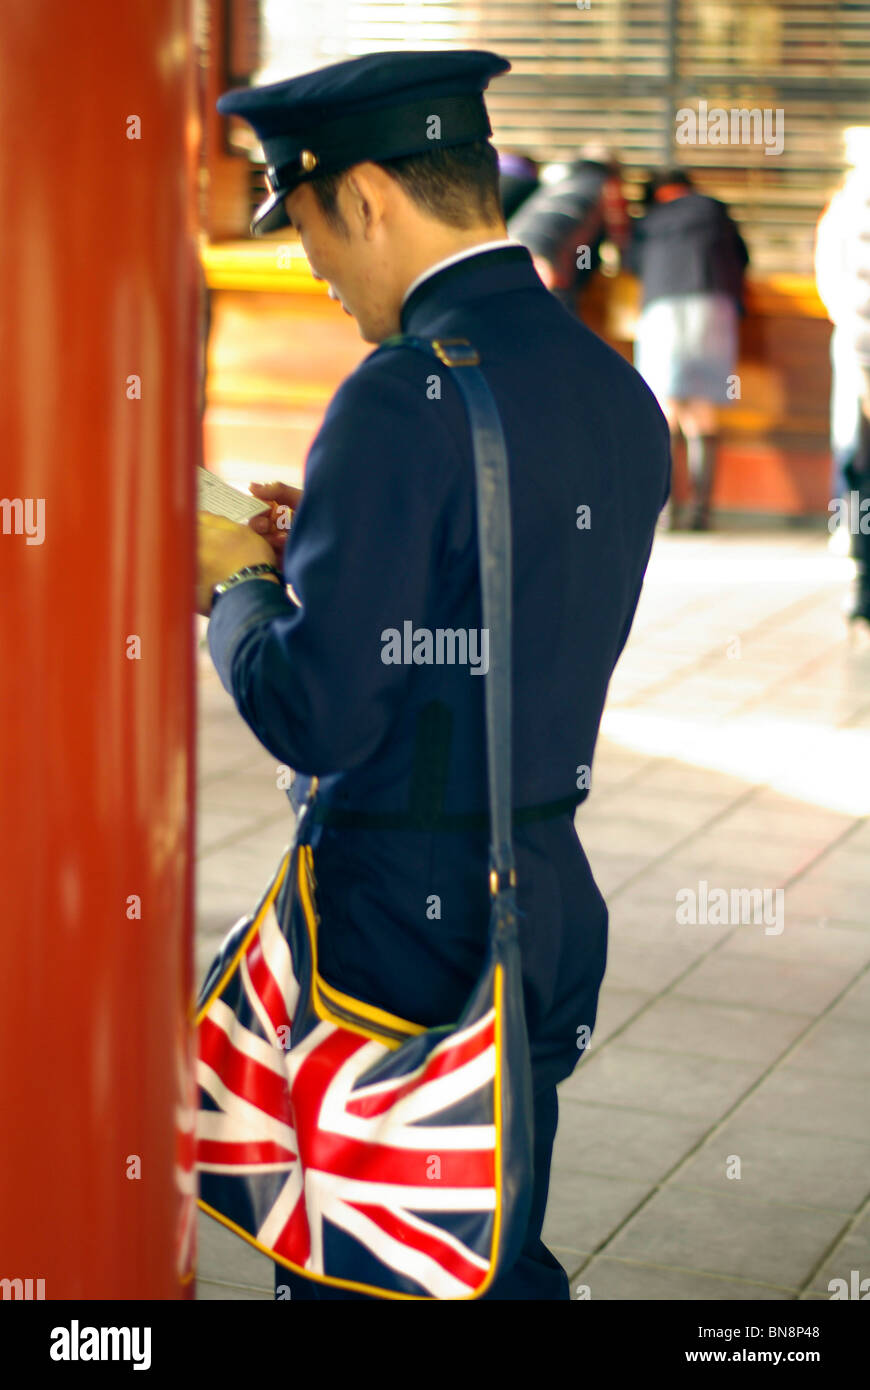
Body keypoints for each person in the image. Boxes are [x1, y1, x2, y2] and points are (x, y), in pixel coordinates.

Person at [196, 48, 670, 1300]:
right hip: (544, 895)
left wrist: (237, 593)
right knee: (486, 1241)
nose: (308, 259)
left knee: (377, 1273)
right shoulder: (615, 391)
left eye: (301, 222)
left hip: (403, 926)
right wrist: (337, 549)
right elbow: (510, 594)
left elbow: (321, 709)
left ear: (362, 197)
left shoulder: (400, 393)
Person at [630, 169, 749, 530]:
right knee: (702, 410)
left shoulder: (648, 222)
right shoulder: (715, 211)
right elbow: (743, 259)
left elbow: (630, 264)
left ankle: (665, 511)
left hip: (661, 309)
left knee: (666, 408)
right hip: (714, 308)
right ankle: (701, 511)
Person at [815, 127, 870, 624]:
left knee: (856, 460)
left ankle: (861, 576)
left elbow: (829, 282)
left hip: (855, 350)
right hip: (859, 352)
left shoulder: (843, 208)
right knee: (856, 459)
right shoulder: (848, 210)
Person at [507, 144, 629, 314]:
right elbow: (616, 229)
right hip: (542, 253)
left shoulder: (564, 180)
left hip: (517, 242)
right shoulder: (604, 184)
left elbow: (583, 247)